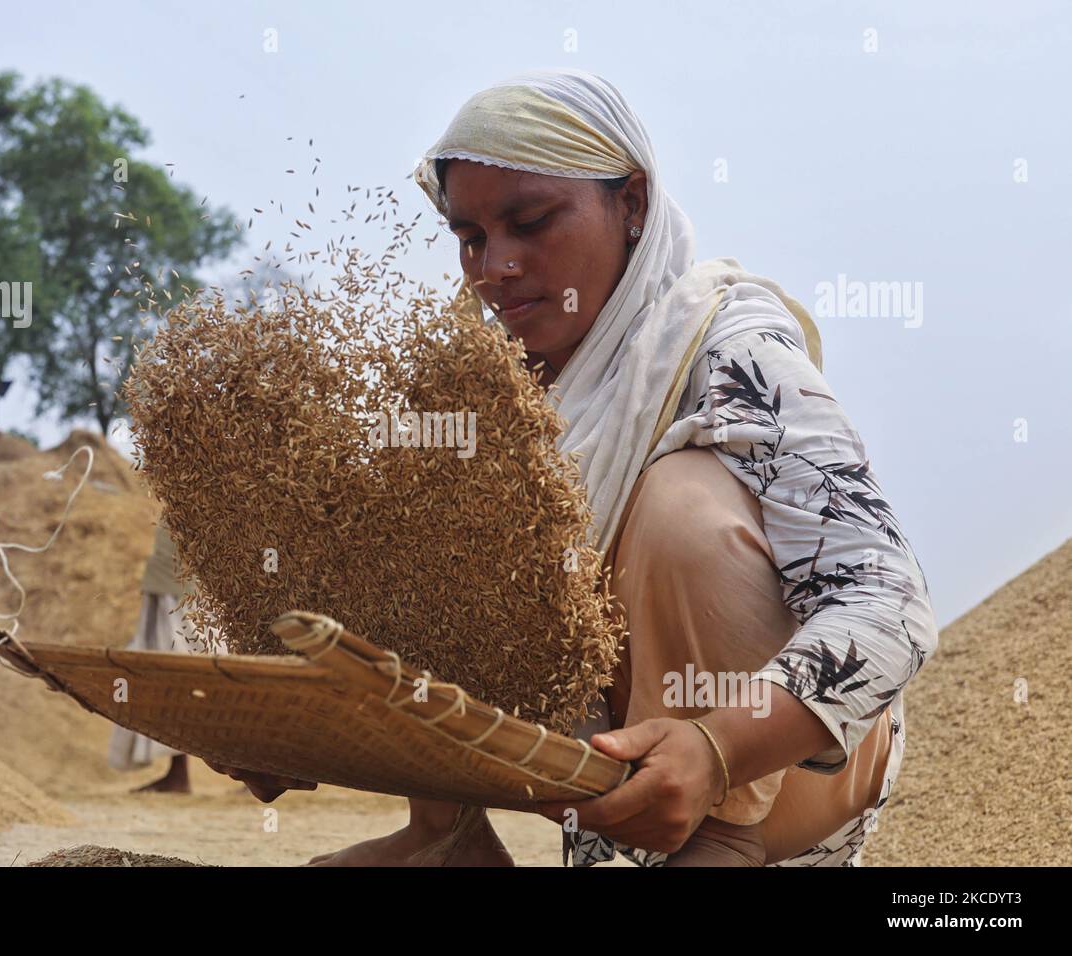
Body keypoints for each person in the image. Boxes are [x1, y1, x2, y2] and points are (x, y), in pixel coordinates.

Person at [214, 68, 938, 867]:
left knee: (681, 503)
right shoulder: (491, 383)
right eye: (471, 237)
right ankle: (445, 838)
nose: (497, 265)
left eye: (530, 221)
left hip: (783, 775)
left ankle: (722, 836)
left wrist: (717, 749)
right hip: (617, 791)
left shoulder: (729, 347)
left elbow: (888, 603)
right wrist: (294, 716)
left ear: (632, 204)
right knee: (429, 510)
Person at [109, 523, 197, 793]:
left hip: (180, 585)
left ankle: (181, 775)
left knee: (175, 666)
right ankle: (178, 773)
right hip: (172, 577)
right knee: (168, 665)